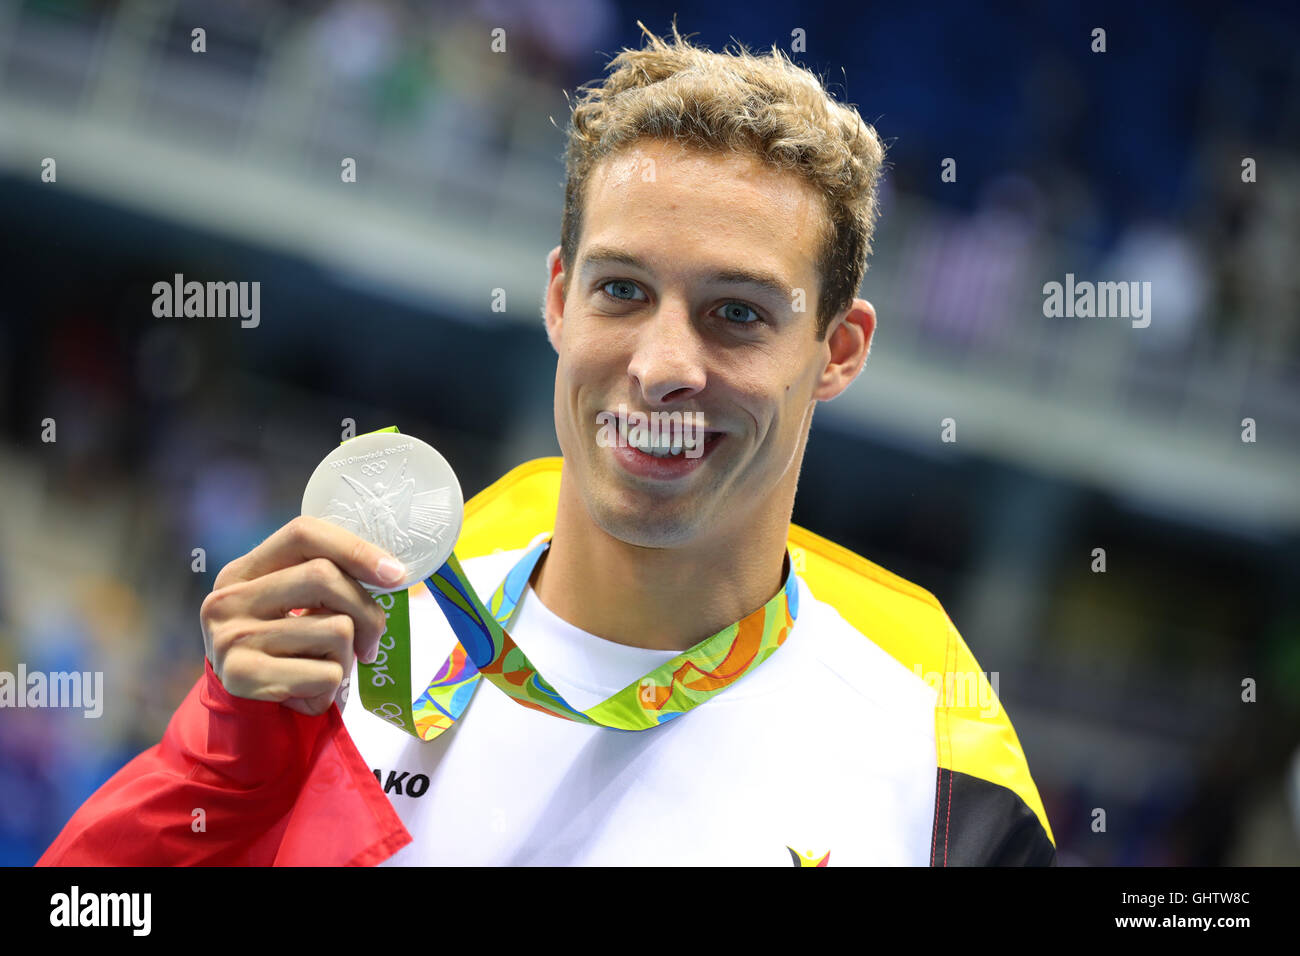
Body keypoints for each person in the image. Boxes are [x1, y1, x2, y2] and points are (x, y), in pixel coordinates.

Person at [38, 22, 1055, 867]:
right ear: (560, 299)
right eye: (623, 290)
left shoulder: (935, 787)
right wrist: (221, 776)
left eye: (737, 313)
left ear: (838, 349)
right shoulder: (352, 656)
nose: (663, 365)